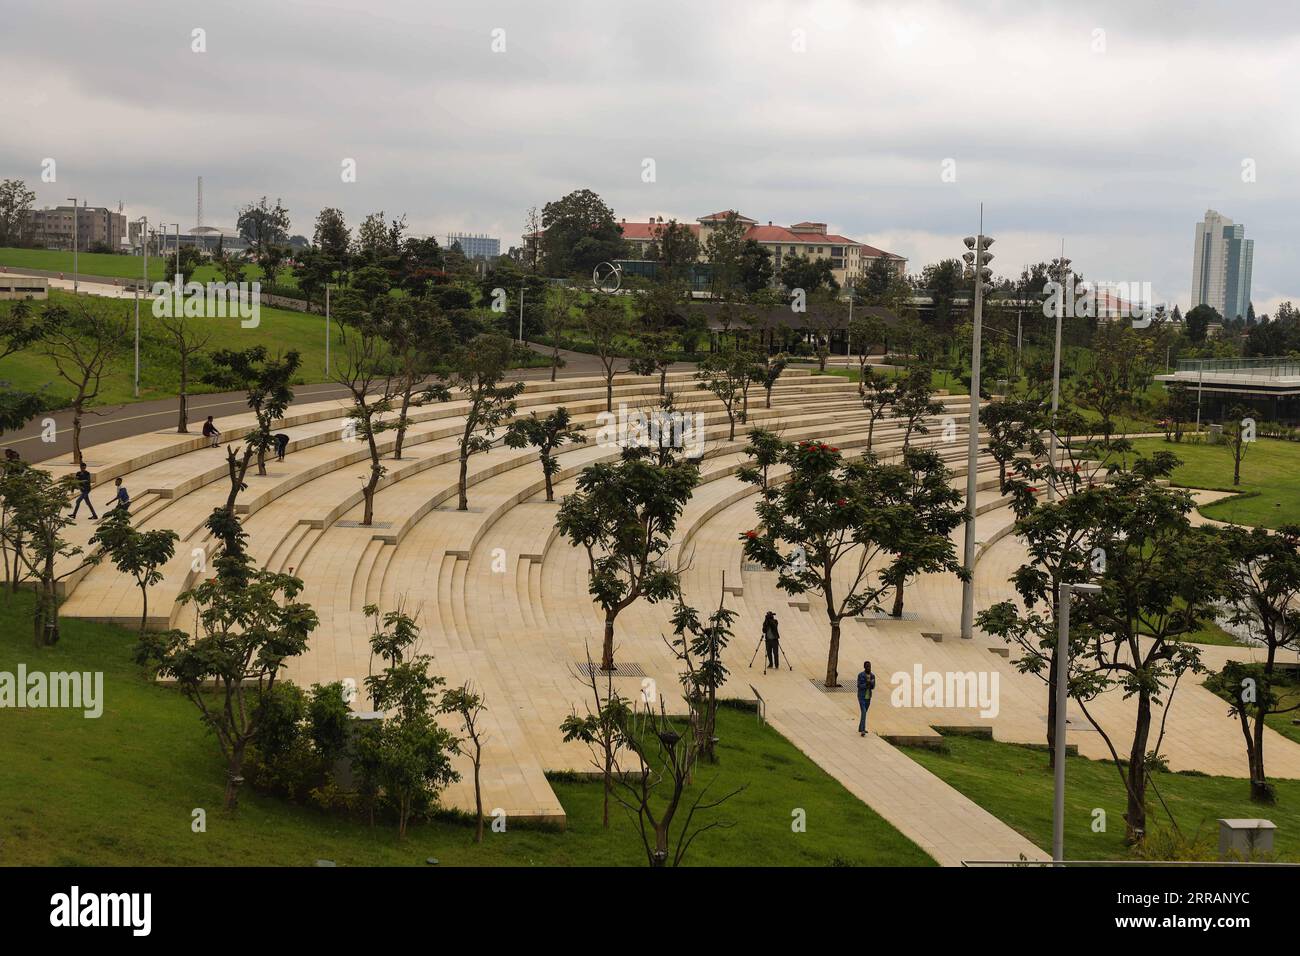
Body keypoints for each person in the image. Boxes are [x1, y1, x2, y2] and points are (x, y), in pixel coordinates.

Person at [856, 661, 876, 737]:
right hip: (861, 696)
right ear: (864, 667)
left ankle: (860, 727)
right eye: (867, 666)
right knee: (864, 711)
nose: (869, 668)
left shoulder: (872, 676)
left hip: (868, 697)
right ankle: (863, 730)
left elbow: (873, 687)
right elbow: (859, 686)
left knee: (864, 712)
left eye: (870, 666)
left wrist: (871, 684)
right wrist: (867, 683)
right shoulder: (861, 675)